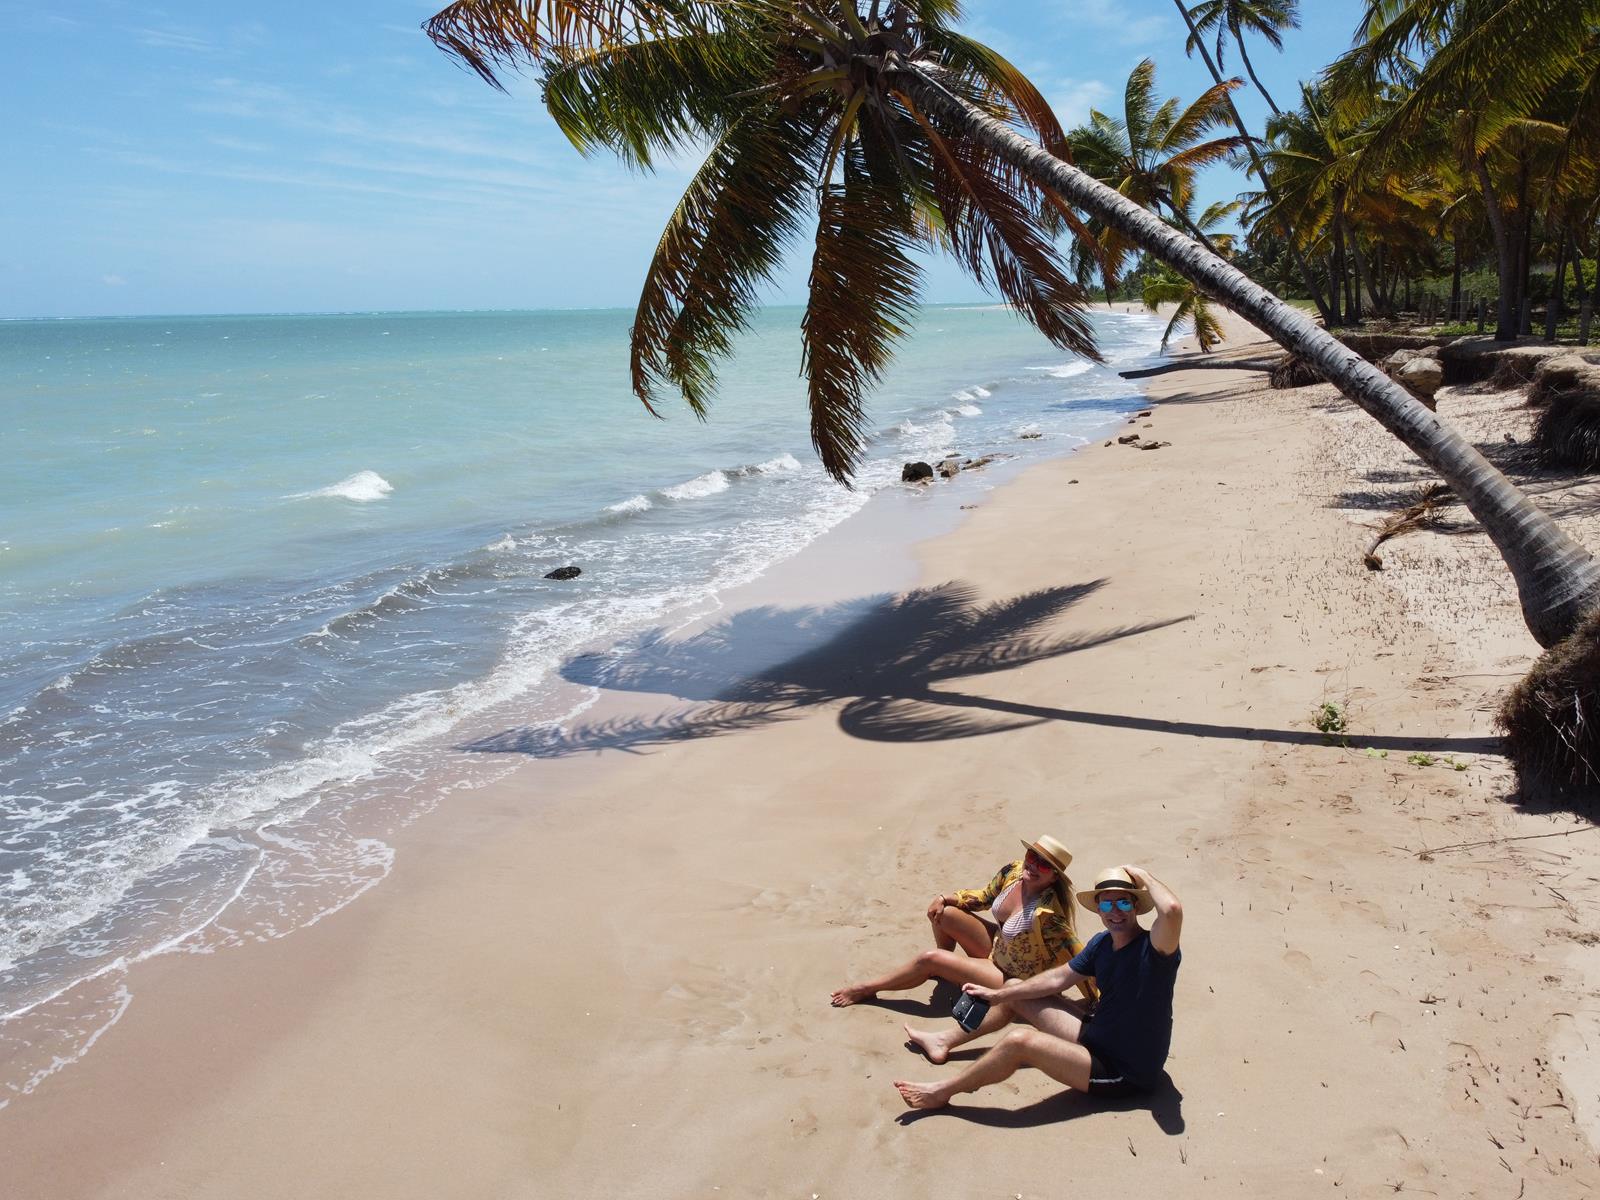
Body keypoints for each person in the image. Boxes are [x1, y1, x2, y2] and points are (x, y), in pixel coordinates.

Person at [893, 864, 1182, 1108]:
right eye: (1107, 903)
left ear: (1136, 906)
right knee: (1017, 988)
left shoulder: (1155, 950)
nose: (1115, 911)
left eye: (1124, 902)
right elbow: (1057, 979)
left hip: (1123, 1069)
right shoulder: (1102, 944)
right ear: (1098, 908)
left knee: (1021, 1042)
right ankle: (943, 1040)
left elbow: (1171, 909)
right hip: (1097, 1033)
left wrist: (1141, 875)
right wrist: (999, 994)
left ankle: (943, 1092)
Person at [830, 835, 1093, 1009]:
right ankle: (944, 967)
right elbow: (984, 897)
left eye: (1044, 865)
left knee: (928, 958)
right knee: (943, 914)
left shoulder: (1046, 916)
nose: (1033, 866)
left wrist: (1096, 1001)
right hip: (996, 949)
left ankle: (867, 989)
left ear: (1054, 878)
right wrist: (946, 897)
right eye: (1032, 857)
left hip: (1013, 977)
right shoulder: (1013, 872)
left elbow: (1076, 956)